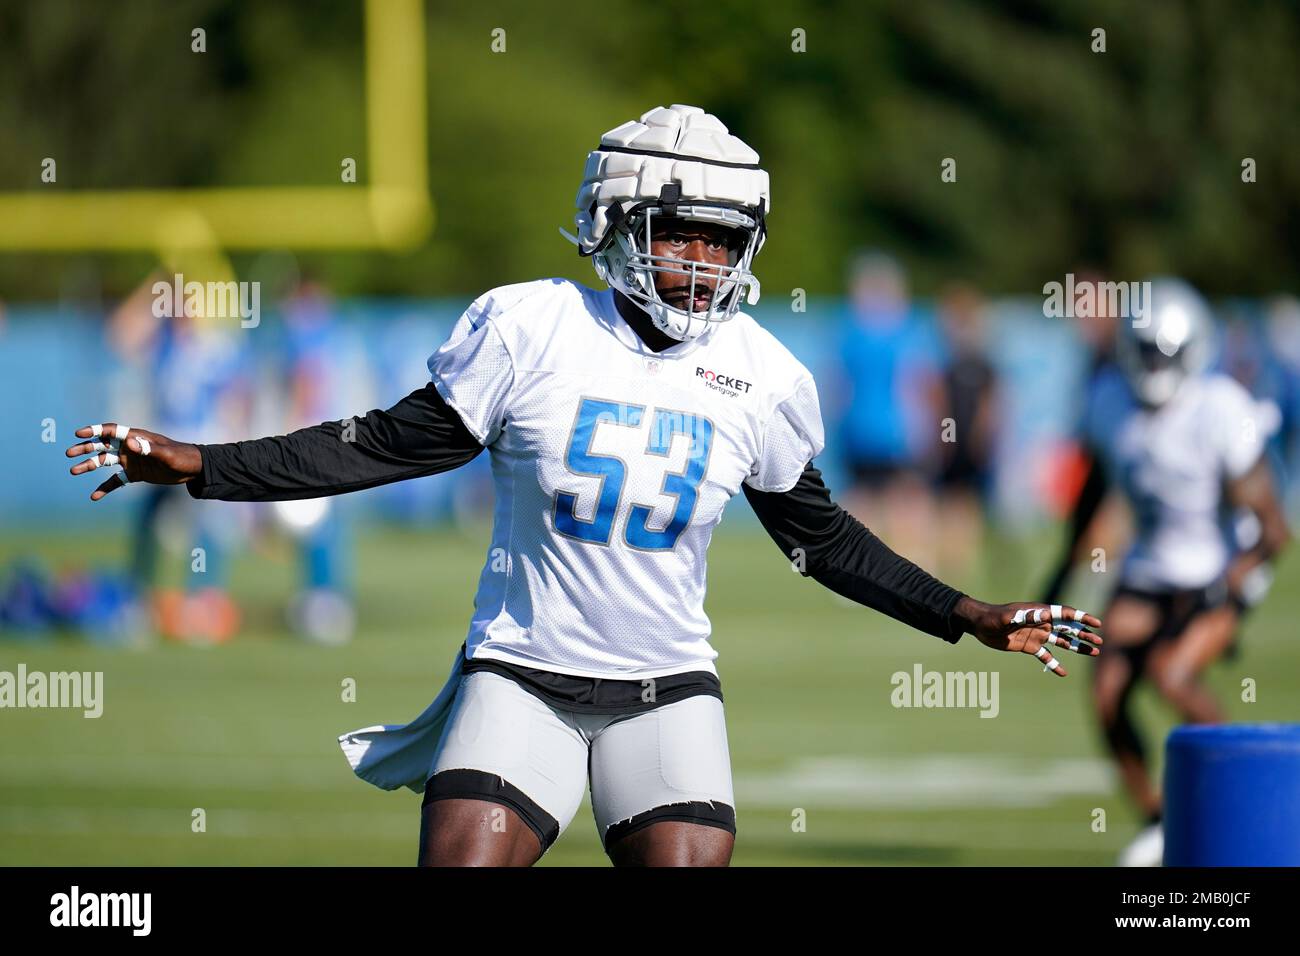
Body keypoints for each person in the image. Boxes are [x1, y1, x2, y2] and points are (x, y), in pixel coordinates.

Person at [66, 104, 1100, 867]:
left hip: (666, 692)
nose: (700, 260)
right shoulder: (535, 328)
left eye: (721, 239)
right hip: (519, 676)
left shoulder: (764, 375)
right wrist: (202, 464)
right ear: (614, 222)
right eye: (679, 231)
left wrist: (964, 612)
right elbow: (378, 445)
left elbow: (819, 539)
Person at [1041, 278, 1289, 867]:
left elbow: (1274, 530)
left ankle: (1243, 796)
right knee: (1105, 693)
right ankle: (1162, 819)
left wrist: (1229, 582)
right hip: (1152, 568)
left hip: (1221, 568)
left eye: (1162, 354)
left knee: (1170, 674)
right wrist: (1059, 579)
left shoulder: (1219, 409)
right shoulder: (1109, 401)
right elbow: (1092, 500)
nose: (1150, 366)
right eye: (1143, 352)